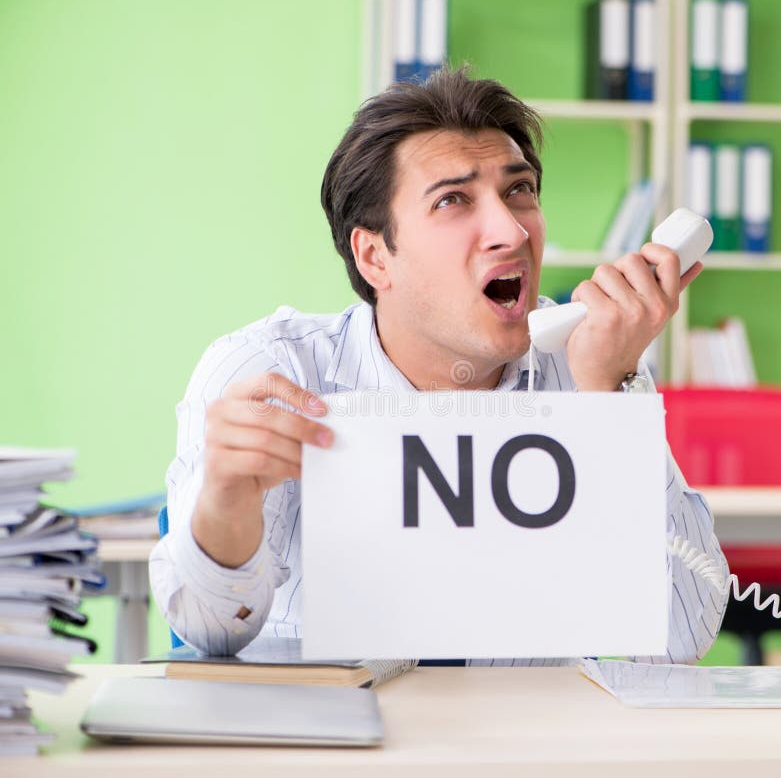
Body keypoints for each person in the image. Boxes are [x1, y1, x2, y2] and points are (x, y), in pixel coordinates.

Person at [149, 67, 729, 663]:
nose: (510, 229)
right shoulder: (272, 372)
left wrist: (611, 397)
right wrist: (222, 503)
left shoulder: (587, 362)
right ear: (375, 257)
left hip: (522, 747)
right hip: (329, 744)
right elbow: (212, 635)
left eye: (519, 190)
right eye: (452, 199)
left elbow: (678, 641)